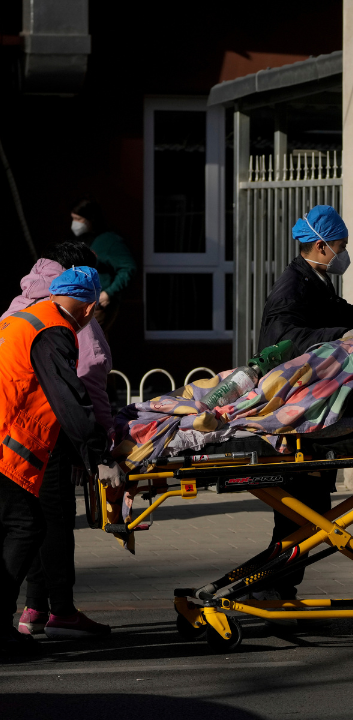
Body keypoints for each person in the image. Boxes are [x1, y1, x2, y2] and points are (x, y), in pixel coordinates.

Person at [256, 205, 353, 602]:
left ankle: (276, 585)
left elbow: (348, 315)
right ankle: (274, 586)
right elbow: (280, 340)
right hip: (296, 410)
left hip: (312, 409)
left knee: (311, 505)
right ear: (321, 246)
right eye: (342, 246)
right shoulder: (293, 288)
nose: (345, 253)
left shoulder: (315, 280)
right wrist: (343, 333)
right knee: (300, 507)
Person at [0, 268, 113, 659]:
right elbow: (69, 397)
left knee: (22, 527)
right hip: (8, 445)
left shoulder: (26, 316)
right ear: (87, 308)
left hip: (7, 439)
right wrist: (99, 454)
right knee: (25, 527)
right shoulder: (53, 331)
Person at [70, 199, 136, 333]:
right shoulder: (83, 240)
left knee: (94, 345)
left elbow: (128, 267)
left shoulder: (109, 241)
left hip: (98, 306)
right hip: (80, 304)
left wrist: (109, 293)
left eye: (79, 219)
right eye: (73, 218)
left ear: (91, 220)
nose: (74, 223)